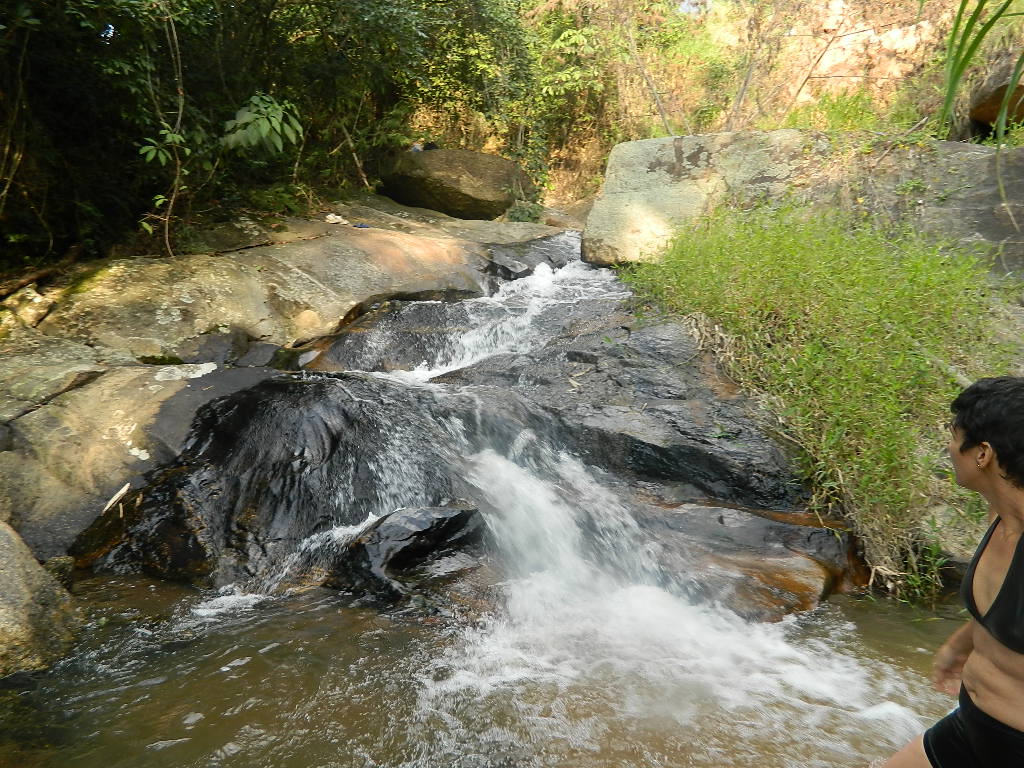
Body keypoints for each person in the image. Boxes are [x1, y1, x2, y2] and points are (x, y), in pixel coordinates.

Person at [882, 376, 1024, 767]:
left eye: (953, 435)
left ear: (983, 454)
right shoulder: (999, 512)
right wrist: (962, 644)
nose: (947, 447)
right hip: (969, 728)